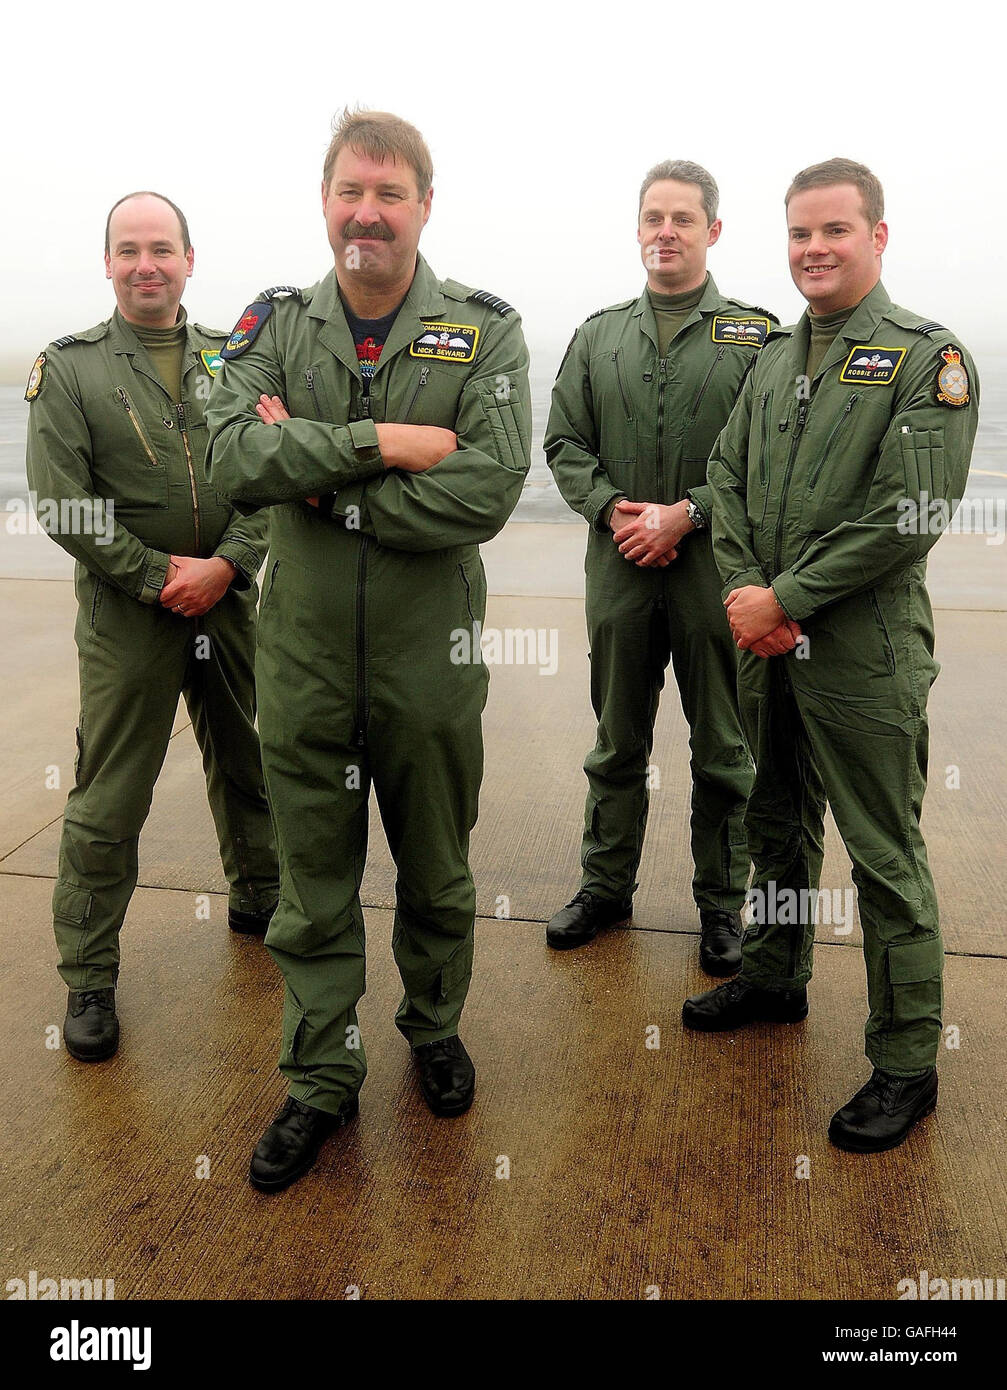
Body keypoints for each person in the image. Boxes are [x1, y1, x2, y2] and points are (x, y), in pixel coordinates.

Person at [205, 109, 531, 1192]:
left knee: (437, 869)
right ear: (326, 199)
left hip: (425, 663)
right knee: (311, 887)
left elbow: (486, 485)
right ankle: (319, 1077)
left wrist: (311, 480)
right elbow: (222, 454)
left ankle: (432, 1026)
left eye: (390, 194)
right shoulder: (270, 321)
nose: (368, 213)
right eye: (351, 190)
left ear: (423, 205)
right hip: (299, 661)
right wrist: (376, 446)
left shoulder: (483, 328)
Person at [682, 158, 980, 1153]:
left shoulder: (923, 358)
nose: (813, 249)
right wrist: (744, 598)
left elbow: (909, 513)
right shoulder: (772, 358)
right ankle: (772, 974)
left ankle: (904, 1061)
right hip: (763, 646)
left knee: (882, 856)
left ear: (876, 237)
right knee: (773, 823)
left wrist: (787, 599)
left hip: (860, 655)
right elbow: (722, 475)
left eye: (834, 232)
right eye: (800, 233)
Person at [25, 191, 279, 1063]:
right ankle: (88, 975)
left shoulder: (232, 363)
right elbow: (61, 499)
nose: (146, 265)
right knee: (111, 793)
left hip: (231, 600)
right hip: (128, 614)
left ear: (189, 259)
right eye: (128, 250)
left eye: (161, 249)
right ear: (106, 263)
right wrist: (152, 576)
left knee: (250, 758)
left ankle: (260, 899)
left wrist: (228, 564)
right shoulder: (69, 369)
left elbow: (268, 477)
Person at [544, 161, 776, 973]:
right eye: (653, 217)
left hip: (718, 574)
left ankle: (721, 907)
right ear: (637, 229)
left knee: (722, 749)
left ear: (712, 230)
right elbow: (563, 443)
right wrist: (614, 509)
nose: (665, 232)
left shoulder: (757, 334)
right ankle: (604, 889)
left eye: (683, 218)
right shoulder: (596, 334)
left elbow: (762, 454)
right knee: (615, 743)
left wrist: (688, 513)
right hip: (618, 570)